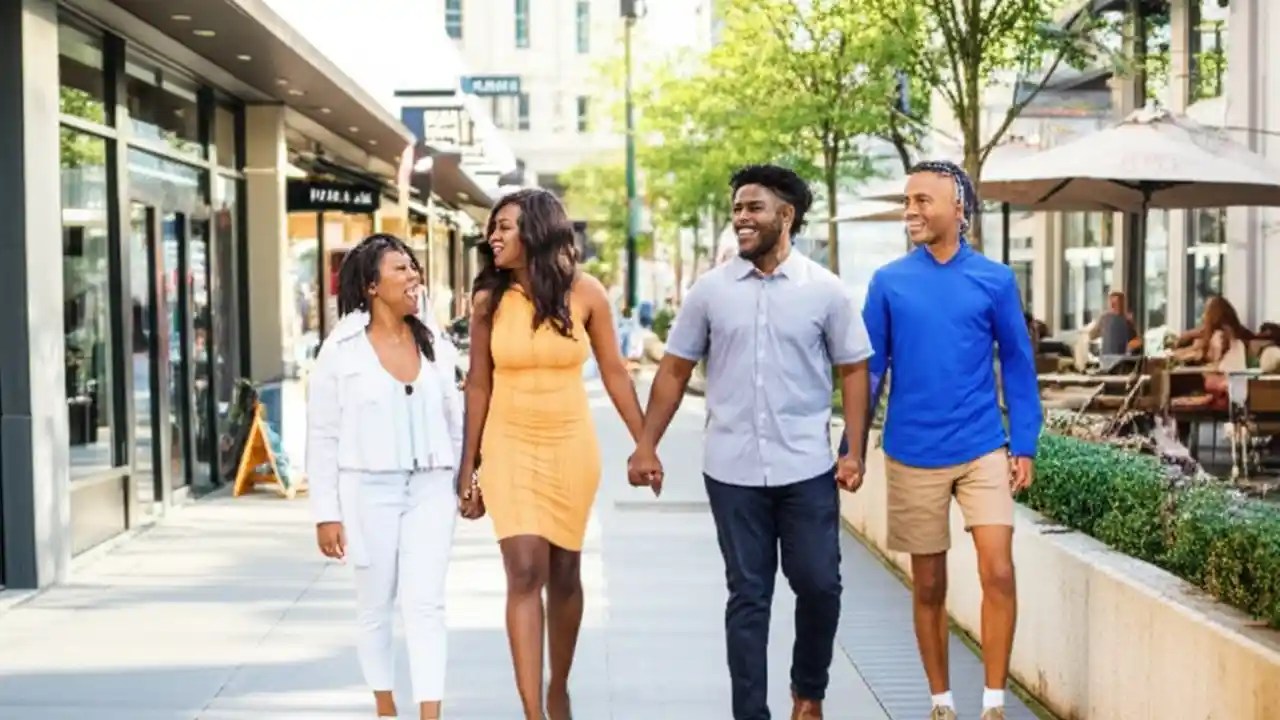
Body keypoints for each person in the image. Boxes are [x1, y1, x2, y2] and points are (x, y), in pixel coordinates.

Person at [628, 164, 872, 720]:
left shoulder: (826, 291)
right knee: (748, 597)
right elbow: (671, 372)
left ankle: (808, 692)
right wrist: (647, 444)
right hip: (732, 470)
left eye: (753, 208)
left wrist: (853, 450)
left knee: (820, 585)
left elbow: (854, 369)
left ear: (785, 217)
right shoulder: (710, 292)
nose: (741, 218)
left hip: (807, 465)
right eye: (737, 208)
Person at [860, 160, 1043, 720]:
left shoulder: (994, 279)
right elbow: (869, 371)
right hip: (912, 451)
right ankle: (942, 702)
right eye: (907, 201)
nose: (910, 211)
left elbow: (1016, 361)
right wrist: (851, 445)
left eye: (922, 201)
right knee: (930, 582)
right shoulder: (889, 281)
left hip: (983, 445)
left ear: (957, 209)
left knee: (999, 569)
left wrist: (1025, 442)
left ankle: (993, 704)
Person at [457, 188, 648, 720]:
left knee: (564, 573)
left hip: (570, 443)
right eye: (492, 228)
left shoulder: (586, 293)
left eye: (505, 227)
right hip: (508, 441)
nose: (493, 236)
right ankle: (533, 711)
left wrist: (644, 441)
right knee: (524, 569)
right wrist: (468, 466)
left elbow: (614, 371)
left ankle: (558, 686)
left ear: (537, 232)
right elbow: (477, 385)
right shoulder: (487, 301)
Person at [306, 233, 464, 720]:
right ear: (372, 285)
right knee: (375, 605)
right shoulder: (342, 348)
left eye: (413, 267)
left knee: (426, 605)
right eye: (401, 269)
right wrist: (325, 514)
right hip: (367, 488)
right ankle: (384, 707)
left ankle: (431, 714)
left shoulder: (433, 340)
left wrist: (464, 480)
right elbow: (323, 435)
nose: (413, 276)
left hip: (431, 486)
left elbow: (454, 418)